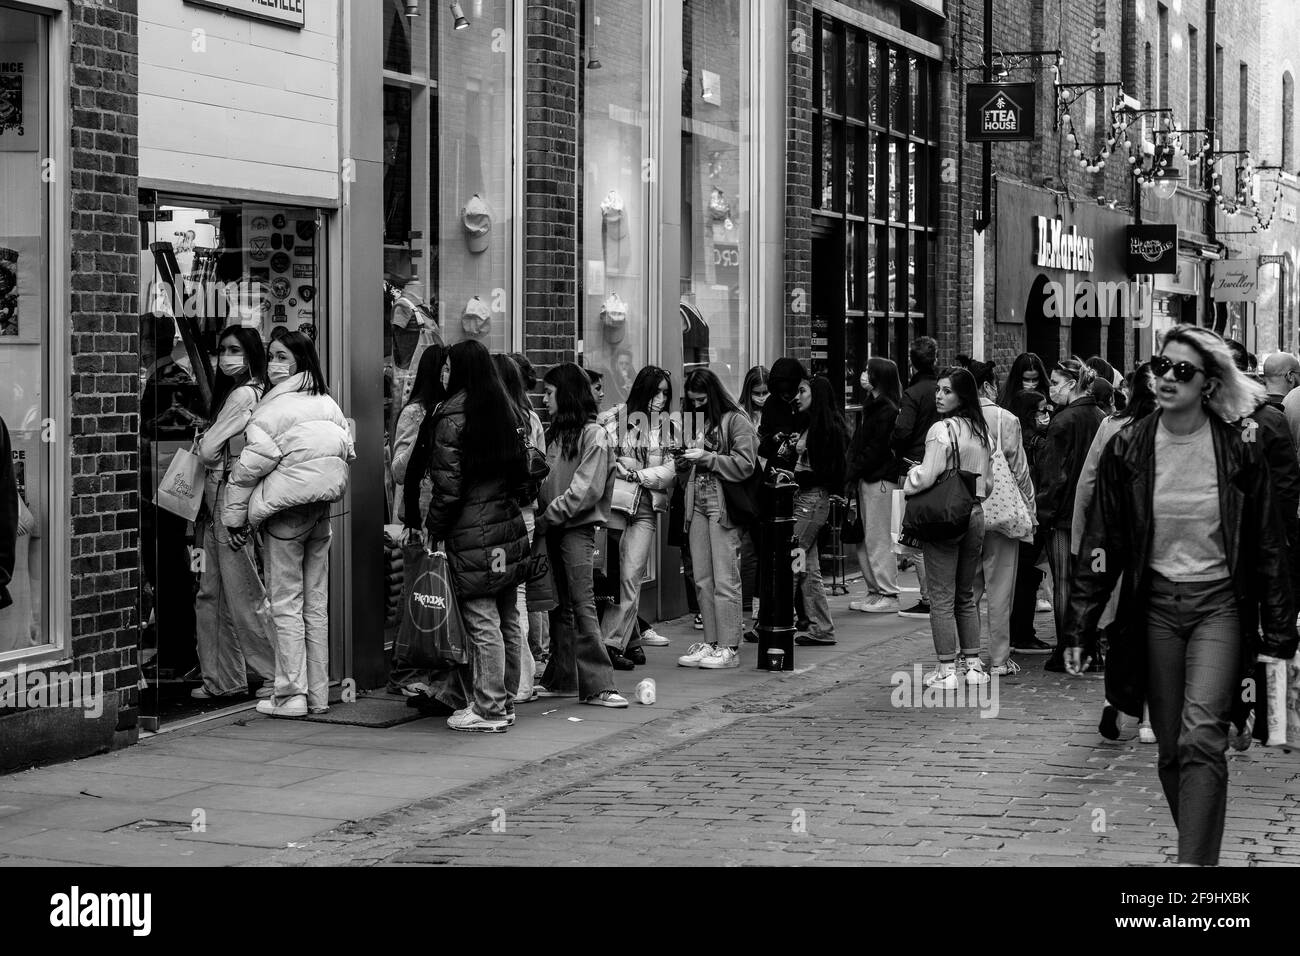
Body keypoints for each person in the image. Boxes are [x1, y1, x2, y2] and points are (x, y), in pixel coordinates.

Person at [1064, 324, 1297, 866]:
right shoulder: (1130, 444)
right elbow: (1103, 545)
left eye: (1182, 370)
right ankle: (1202, 854)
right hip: (1156, 610)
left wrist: (1281, 635)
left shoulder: (1242, 447)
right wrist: (1078, 626)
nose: (1166, 377)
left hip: (1219, 606)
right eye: (1161, 365)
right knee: (1171, 750)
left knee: (1200, 739)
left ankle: (1194, 869)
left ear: (1209, 384)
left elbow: (1269, 544)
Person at [223, 331, 354, 718]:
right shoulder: (327, 402)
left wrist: (233, 517)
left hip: (284, 514)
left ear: (299, 361)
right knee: (315, 605)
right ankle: (317, 694)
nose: (275, 363)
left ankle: (290, 694)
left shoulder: (270, 410)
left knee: (285, 603)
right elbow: (347, 449)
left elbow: (250, 468)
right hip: (321, 513)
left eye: (281, 356)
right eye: (271, 356)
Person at [409, 341, 530, 733]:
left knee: (481, 619)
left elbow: (448, 486)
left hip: (472, 529)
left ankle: (489, 707)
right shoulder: (507, 409)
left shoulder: (452, 414)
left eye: (448, 368)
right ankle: (505, 699)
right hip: (505, 527)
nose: (444, 375)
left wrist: (435, 527)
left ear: (461, 370)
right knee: (507, 616)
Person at [1074, 363, 1159, 743]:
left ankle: (1114, 701)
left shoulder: (1113, 427)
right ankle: (1147, 718)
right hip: (1156, 554)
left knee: (1121, 630)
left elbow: (1088, 485)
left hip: (1115, 550)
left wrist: (1083, 542)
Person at [190, 326, 277, 701]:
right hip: (223, 501)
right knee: (215, 591)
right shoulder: (256, 392)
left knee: (238, 592)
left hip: (227, 500)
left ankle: (275, 673)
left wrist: (205, 438)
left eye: (234, 349)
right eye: (223, 349)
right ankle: (225, 677)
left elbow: (210, 450)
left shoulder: (243, 393)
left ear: (250, 353)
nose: (226, 357)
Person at [534, 363, 627, 707]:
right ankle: (563, 678)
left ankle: (600, 684)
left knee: (582, 604)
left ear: (567, 394)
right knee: (559, 606)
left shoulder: (595, 435)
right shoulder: (556, 433)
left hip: (575, 529)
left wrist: (547, 516)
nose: (544, 399)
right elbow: (549, 480)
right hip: (553, 526)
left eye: (549, 392)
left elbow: (584, 491)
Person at [904, 367, 993, 688]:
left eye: (947, 391)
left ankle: (945, 670)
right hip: (975, 512)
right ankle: (972, 666)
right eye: (938, 390)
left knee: (941, 596)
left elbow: (927, 476)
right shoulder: (982, 432)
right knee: (965, 594)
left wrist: (910, 478)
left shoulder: (941, 431)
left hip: (945, 516)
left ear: (962, 396)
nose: (939, 396)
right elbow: (990, 483)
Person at [675, 368, 758, 669]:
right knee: (702, 577)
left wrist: (706, 458)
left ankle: (729, 645)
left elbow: (746, 464)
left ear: (712, 395)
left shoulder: (735, 420)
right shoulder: (697, 422)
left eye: (700, 400)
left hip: (721, 501)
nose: (695, 406)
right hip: (697, 499)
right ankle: (711, 641)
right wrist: (684, 461)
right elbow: (685, 473)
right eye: (691, 401)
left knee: (725, 577)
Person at [601, 366, 677, 667]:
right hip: (616, 506)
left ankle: (610, 644)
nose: (660, 399)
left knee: (630, 576)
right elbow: (603, 456)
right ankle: (630, 640)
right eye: (656, 391)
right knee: (614, 578)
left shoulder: (668, 428)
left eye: (666, 393)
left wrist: (636, 474)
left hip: (645, 509)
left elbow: (671, 472)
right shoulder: (616, 419)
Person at [969, 360, 1036, 677]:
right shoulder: (1004, 418)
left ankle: (966, 658)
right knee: (1000, 590)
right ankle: (998, 660)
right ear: (988, 386)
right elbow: (1020, 470)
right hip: (1002, 512)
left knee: (968, 590)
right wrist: (1030, 508)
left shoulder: (955, 421)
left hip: (965, 509)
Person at [1038, 357, 1104, 672]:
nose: (1050, 389)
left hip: (1064, 515)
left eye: (1054, 382)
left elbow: (1055, 476)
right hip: (1094, 514)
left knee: (1064, 580)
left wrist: (1044, 513)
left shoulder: (1063, 422)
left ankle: (1067, 648)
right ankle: (1088, 647)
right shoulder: (1102, 417)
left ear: (1071, 384)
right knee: (1087, 582)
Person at [494, 352, 548, 702]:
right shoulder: (530, 418)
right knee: (519, 597)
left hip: (505, 513)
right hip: (527, 512)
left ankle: (517, 680)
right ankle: (524, 679)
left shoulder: (498, 418)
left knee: (508, 599)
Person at [787, 376, 849, 646]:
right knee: (806, 566)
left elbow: (826, 473)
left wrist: (795, 476)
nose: (797, 397)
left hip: (811, 504)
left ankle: (776, 620)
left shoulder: (826, 428)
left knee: (793, 559)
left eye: (802, 391)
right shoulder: (814, 426)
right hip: (807, 502)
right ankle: (821, 627)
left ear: (817, 395)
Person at [847, 358, 902, 614]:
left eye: (868, 371)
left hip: (877, 480)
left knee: (878, 536)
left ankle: (887, 592)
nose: (863, 375)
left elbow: (875, 448)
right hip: (868, 478)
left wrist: (854, 468)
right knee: (868, 537)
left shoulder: (886, 409)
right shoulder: (874, 406)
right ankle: (874, 590)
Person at [892, 337, 940, 619]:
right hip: (941, 466)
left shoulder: (912, 393)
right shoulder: (942, 389)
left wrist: (897, 448)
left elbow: (902, 431)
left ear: (911, 362)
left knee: (916, 536)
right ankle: (938, 594)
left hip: (915, 466)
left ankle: (928, 597)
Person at [1008, 391, 1054, 655]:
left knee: (1025, 576)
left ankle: (1019, 631)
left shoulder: (1025, 437)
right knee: (1027, 576)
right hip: (1030, 514)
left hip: (1027, 513)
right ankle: (1022, 633)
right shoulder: (1032, 442)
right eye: (1040, 410)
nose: (1044, 415)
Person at [739, 365, 770, 639]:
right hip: (749, 488)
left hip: (767, 488)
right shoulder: (741, 415)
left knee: (761, 553)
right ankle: (749, 608)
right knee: (748, 552)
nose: (761, 397)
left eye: (765, 392)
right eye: (757, 393)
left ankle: (759, 612)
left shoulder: (775, 414)